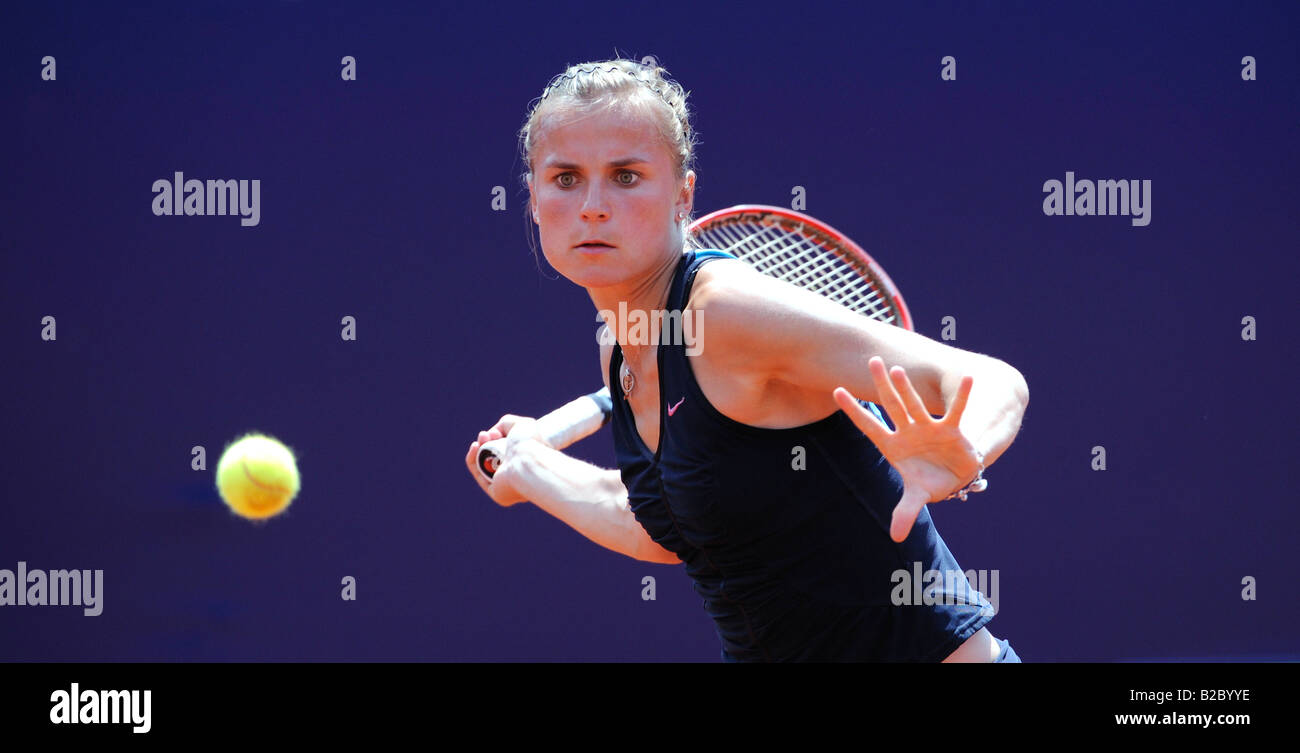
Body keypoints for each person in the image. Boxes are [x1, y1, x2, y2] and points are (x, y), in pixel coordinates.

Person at [465, 59, 1028, 662]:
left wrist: (964, 450)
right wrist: (531, 470)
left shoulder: (727, 312)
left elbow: (992, 381)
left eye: (626, 177)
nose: (593, 205)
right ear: (532, 198)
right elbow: (667, 527)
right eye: (566, 178)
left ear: (683, 195)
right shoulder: (621, 340)